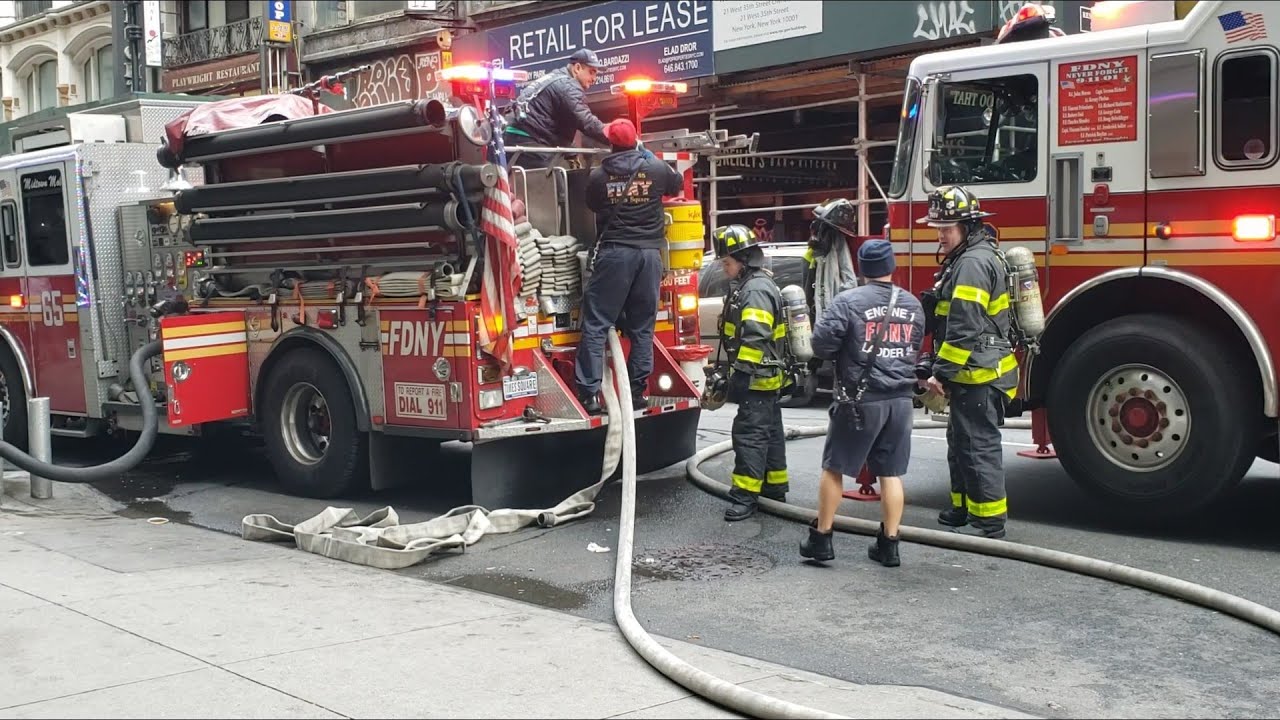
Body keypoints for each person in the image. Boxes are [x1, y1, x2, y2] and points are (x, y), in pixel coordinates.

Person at [799, 240, 925, 566]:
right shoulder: (912, 304)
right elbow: (913, 347)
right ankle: (889, 545)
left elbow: (821, 344)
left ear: (862, 269)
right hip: (900, 401)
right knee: (891, 473)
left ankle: (822, 539)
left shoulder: (848, 302)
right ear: (891, 266)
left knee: (835, 467)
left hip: (859, 400)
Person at [917, 185, 1019, 539]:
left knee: (977, 445)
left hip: (980, 373)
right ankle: (962, 508)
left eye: (947, 228)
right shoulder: (966, 258)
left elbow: (963, 328)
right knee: (961, 441)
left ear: (969, 227)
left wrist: (939, 374)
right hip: (970, 371)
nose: (941, 236)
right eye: (939, 229)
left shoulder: (973, 264)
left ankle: (989, 522)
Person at [575, 118, 684, 414]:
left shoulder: (599, 175)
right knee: (642, 327)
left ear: (609, 142)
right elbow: (678, 185)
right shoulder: (656, 168)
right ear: (636, 140)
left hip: (615, 254)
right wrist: (649, 159)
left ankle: (589, 395)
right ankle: (637, 393)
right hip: (649, 256)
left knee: (597, 323)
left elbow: (593, 205)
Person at [713, 224, 790, 522]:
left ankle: (745, 496)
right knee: (769, 434)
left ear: (743, 260)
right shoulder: (752, 285)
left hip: (758, 378)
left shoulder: (756, 290)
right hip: (766, 378)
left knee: (749, 435)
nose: (724, 268)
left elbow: (756, 335)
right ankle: (774, 486)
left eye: (727, 262)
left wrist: (742, 374)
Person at [503, 49, 611, 169]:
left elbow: (560, 122)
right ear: (577, 68)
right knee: (554, 183)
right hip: (527, 140)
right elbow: (586, 122)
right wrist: (616, 137)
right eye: (591, 72)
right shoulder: (568, 86)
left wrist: (571, 151)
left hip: (513, 137)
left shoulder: (557, 78)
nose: (594, 78)